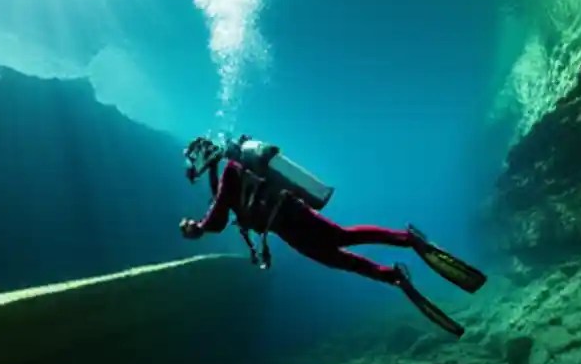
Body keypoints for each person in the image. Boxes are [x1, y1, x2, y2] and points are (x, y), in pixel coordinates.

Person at [178, 134, 486, 337]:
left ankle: (408, 240)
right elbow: (220, 215)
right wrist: (204, 226)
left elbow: (217, 217)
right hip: (286, 226)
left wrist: (198, 228)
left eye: (194, 160)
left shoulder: (231, 170)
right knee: (335, 257)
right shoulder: (226, 174)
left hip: (291, 217)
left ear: (203, 155)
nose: (195, 166)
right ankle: (391, 274)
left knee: (341, 239)